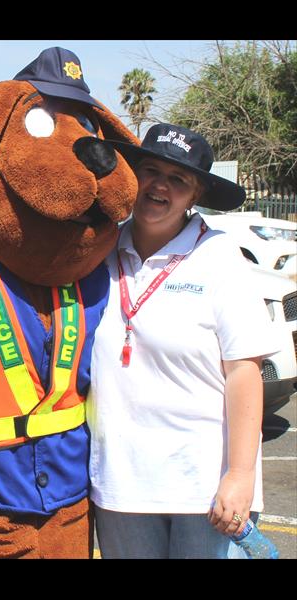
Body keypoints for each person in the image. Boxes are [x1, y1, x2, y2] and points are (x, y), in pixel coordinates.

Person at [87, 123, 277, 559]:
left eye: (178, 180)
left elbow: (245, 372)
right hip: (121, 487)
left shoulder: (220, 258)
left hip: (204, 490)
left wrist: (240, 475)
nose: (160, 186)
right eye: (150, 170)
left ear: (195, 196)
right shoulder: (100, 249)